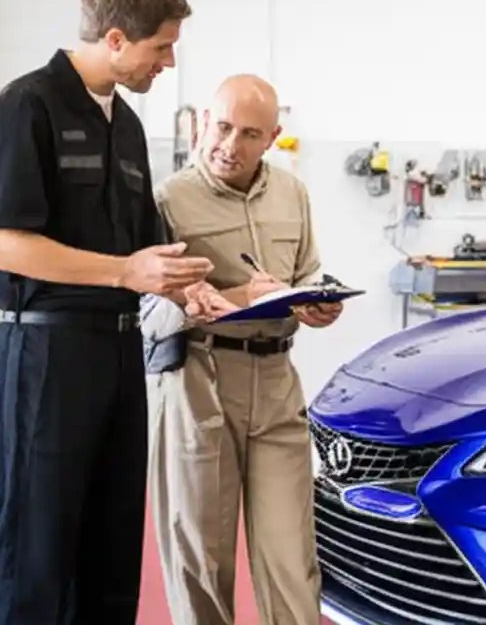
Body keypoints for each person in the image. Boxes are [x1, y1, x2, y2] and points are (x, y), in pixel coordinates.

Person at [0, 0, 220, 625]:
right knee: (39, 553)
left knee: (111, 552)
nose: (168, 61)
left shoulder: (129, 126)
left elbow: (148, 250)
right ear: (115, 39)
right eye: (160, 46)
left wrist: (201, 292)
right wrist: (124, 274)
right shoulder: (28, 107)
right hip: (45, 360)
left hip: (119, 359)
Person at [143, 73, 342, 625]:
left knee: (292, 557)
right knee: (199, 559)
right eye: (223, 127)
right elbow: (146, 315)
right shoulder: (166, 200)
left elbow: (305, 278)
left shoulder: (292, 194)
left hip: (277, 385)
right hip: (199, 383)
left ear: (273, 136)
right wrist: (226, 298)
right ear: (203, 122)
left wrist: (315, 307)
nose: (231, 145)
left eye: (250, 134)